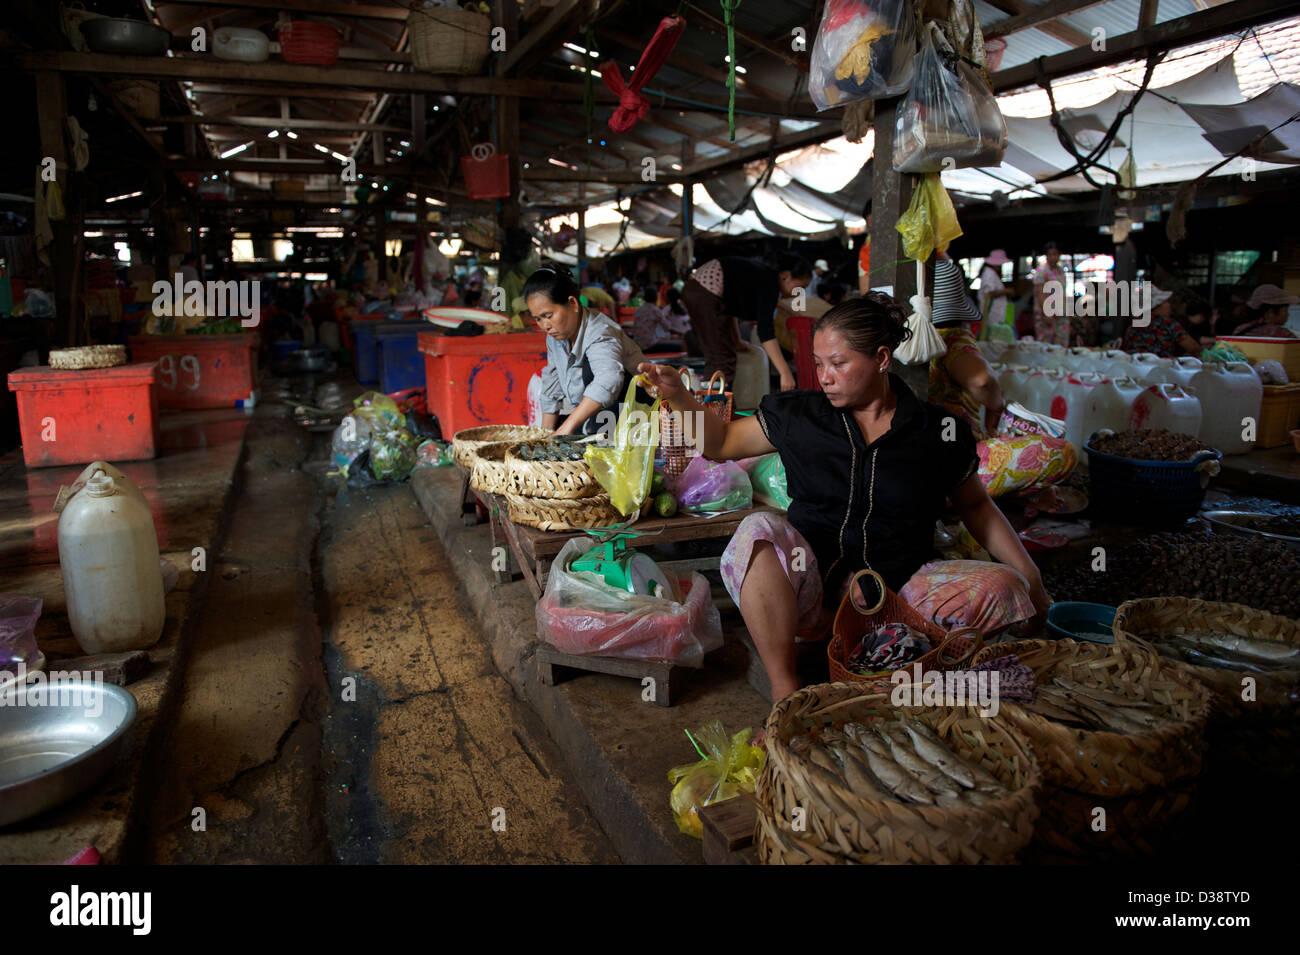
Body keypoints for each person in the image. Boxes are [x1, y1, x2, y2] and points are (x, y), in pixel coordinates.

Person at [637, 293, 1050, 702]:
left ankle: (894, 649)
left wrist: (1033, 581)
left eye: (838, 363)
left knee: (1004, 587)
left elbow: (976, 506)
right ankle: (786, 688)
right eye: (818, 364)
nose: (824, 377)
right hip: (813, 596)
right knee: (757, 531)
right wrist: (679, 397)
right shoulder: (799, 415)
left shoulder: (937, 430)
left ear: (882, 359)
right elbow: (722, 443)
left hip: (902, 595)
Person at [929, 256, 1077, 496]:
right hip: (952, 472)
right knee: (1064, 451)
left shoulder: (901, 342)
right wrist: (996, 407)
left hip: (909, 468)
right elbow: (981, 380)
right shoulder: (952, 339)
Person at [526, 267, 646, 436]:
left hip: (639, 414)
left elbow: (609, 380)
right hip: (604, 417)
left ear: (573, 303)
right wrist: (544, 437)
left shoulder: (600, 331)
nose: (545, 325)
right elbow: (551, 387)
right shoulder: (555, 337)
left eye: (549, 315)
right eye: (538, 318)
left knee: (590, 371)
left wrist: (566, 428)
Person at [680, 254, 809, 392]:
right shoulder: (769, 284)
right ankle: (714, 407)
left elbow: (729, 311)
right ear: (786, 276)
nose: (799, 293)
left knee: (723, 354)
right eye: (800, 287)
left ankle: (718, 404)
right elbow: (765, 332)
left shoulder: (760, 277)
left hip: (698, 289)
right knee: (721, 359)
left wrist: (737, 340)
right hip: (703, 292)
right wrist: (785, 372)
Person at [1122, 287, 1201, 357]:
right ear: (1157, 307)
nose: (1169, 305)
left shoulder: (1133, 326)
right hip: (1161, 370)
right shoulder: (1169, 324)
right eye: (1166, 302)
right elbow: (1193, 347)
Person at [1030, 242, 1069, 346]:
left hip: (1061, 313)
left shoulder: (1061, 271)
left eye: (1055, 254)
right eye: (1050, 254)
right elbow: (1040, 293)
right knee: (1046, 344)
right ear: (1046, 256)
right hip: (1046, 314)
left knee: (1061, 344)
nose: (1053, 257)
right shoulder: (1041, 272)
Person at [631, 286, 691, 351]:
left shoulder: (638, 310)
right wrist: (683, 334)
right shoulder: (655, 310)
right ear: (656, 297)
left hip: (637, 344)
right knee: (682, 346)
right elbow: (668, 327)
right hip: (649, 345)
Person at [1232, 284, 1299, 338]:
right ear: (1270, 312)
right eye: (1285, 310)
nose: (1288, 314)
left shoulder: (1240, 329)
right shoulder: (1282, 334)